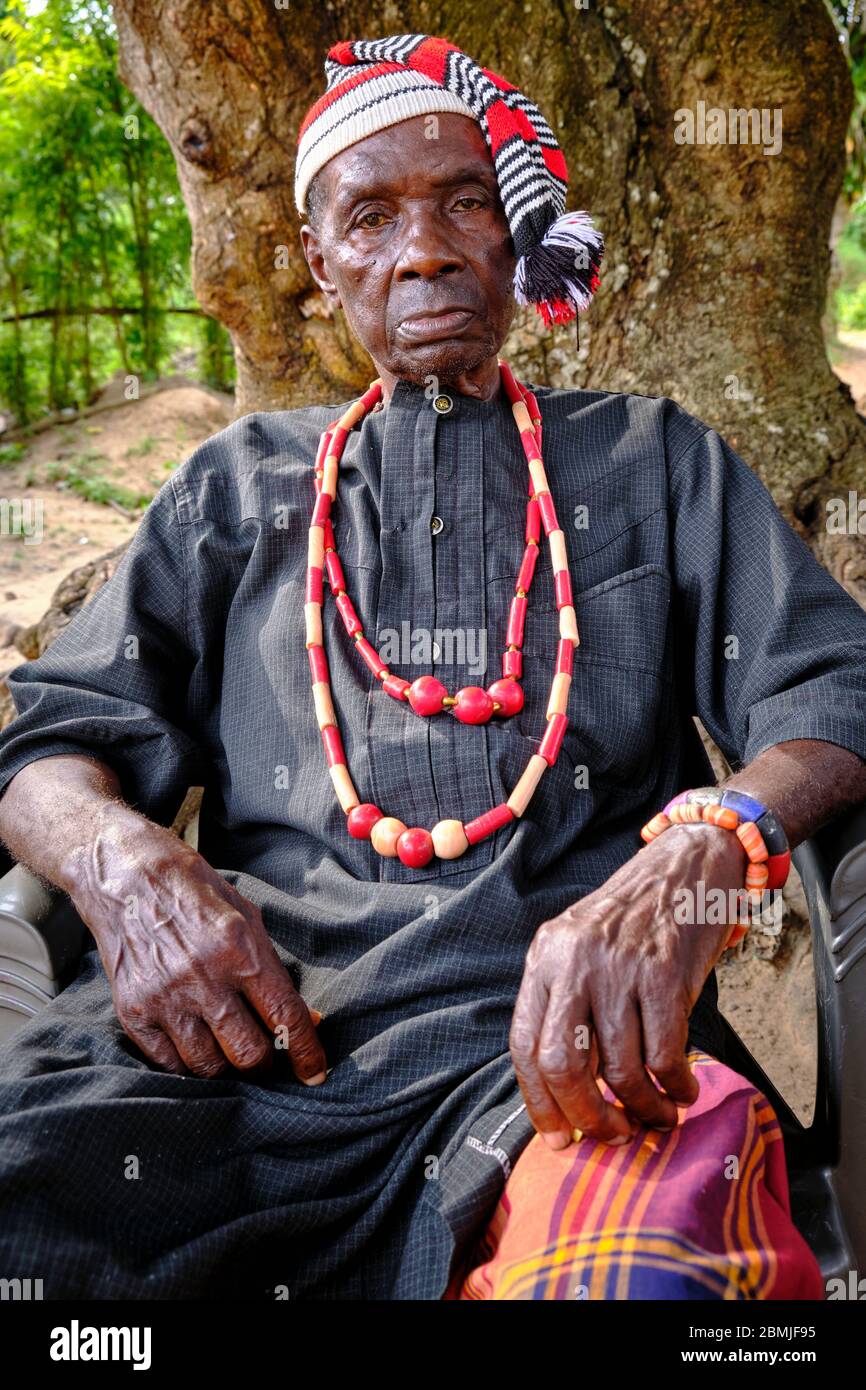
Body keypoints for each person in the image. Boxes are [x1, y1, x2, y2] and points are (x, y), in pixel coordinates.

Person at [0, 30, 861, 1301]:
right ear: (315, 260)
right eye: (371, 216)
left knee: (644, 1279)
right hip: (230, 1058)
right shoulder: (236, 487)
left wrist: (705, 845)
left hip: (562, 1054)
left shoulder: (648, 459)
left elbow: (834, 691)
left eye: (465, 201)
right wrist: (120, 866)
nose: (424, 249)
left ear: (514, 234)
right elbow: (49, 742)